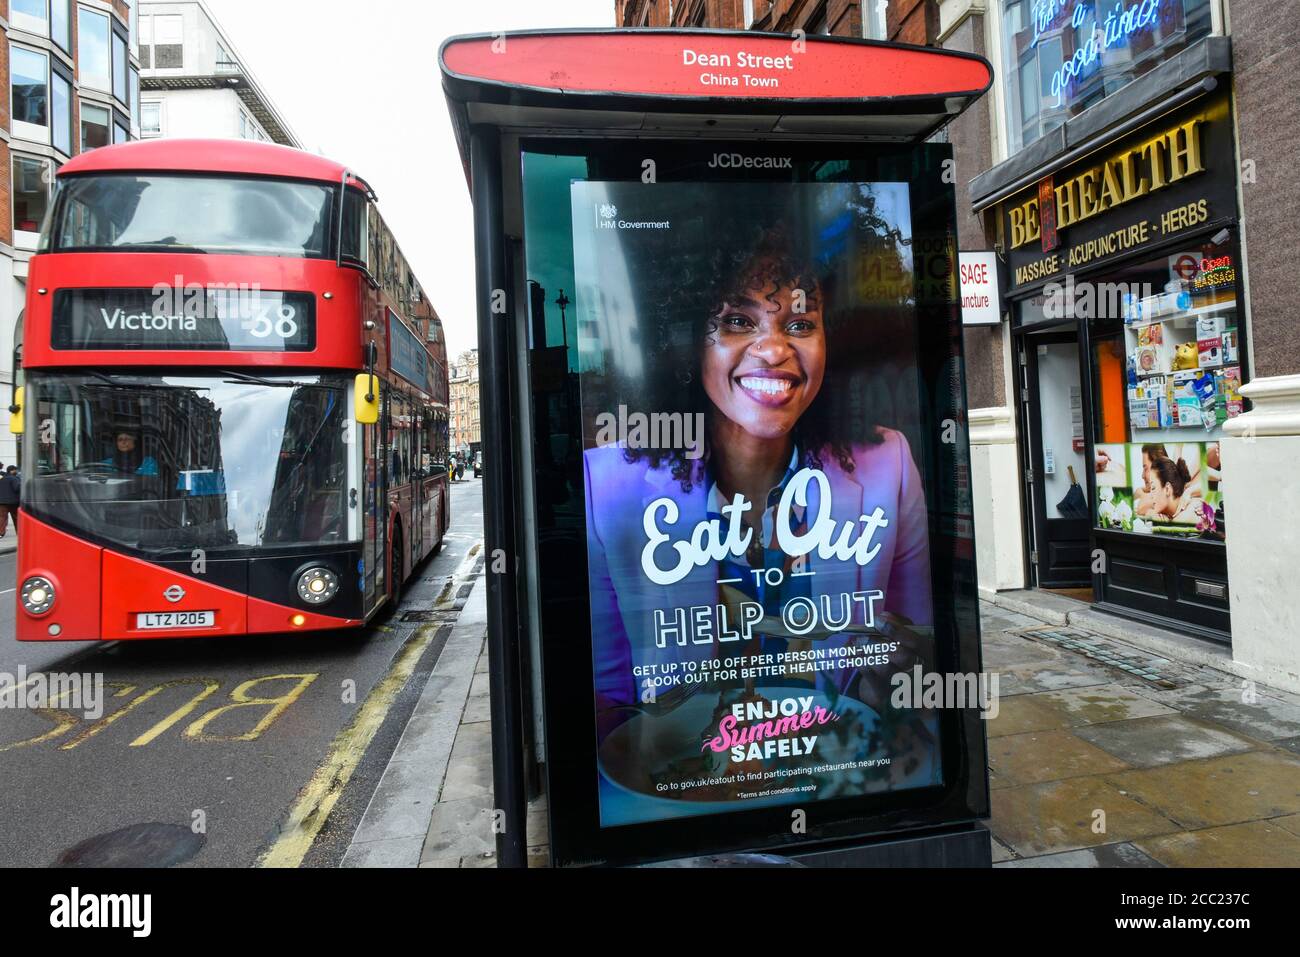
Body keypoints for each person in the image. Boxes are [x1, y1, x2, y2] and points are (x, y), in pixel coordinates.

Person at [585, 214, 933, 718]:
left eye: (799, 324)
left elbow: (912, 648)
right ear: (684, 340)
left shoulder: (890, 467)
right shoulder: (606, 488)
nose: (774, 349)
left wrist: (896, 682)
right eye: (738, 321)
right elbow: (611, 700)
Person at [0, 465, 19, 538]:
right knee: (16, 518)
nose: (16, 472)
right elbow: (17, 488)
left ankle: (1, 533)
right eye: (15, 470)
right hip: (13, 502)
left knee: (2, 518)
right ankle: (19, 533)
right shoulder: (14, 478)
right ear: (12, 471)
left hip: (1, 502)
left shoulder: (2, 478)